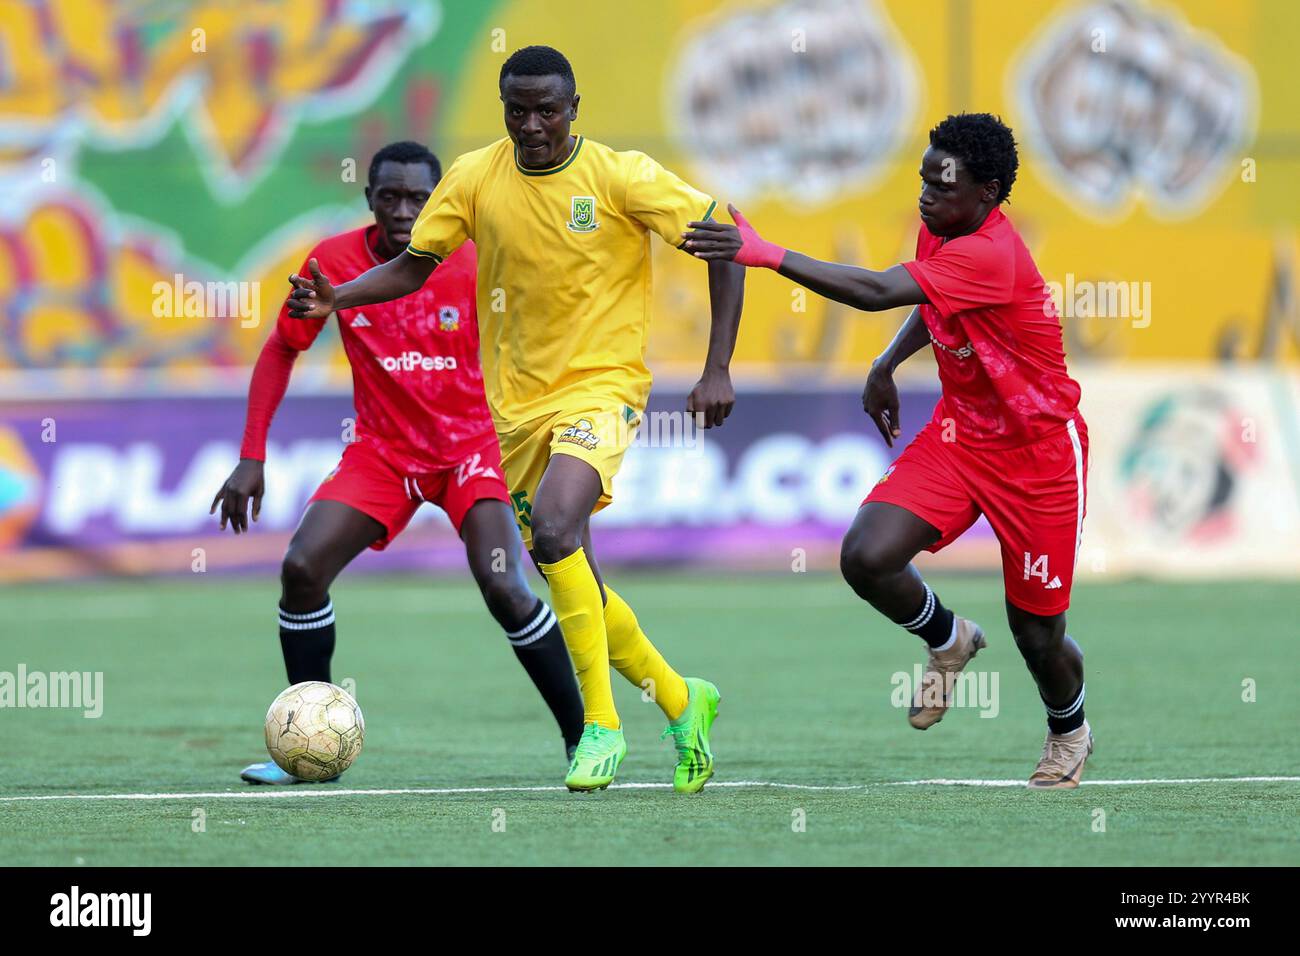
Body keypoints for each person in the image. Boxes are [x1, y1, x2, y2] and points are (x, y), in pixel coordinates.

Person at [285, 47, 746, 793]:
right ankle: (683, 698)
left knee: (558, 533)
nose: (532, 125)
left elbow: (725, 242)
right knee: (577, 579)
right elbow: (414, 266)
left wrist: (717, 365)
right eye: (517, 111)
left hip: (603, 390)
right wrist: (339, 297)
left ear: (575, 106)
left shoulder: (622, 176)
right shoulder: (473, 177)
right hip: (516, 411)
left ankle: (601, 727)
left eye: (548, 110)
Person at [684, 113, 1093, 788]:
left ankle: (1069, 729)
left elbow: (877, 291)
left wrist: (766, 254)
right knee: (867, 555)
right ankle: (949, 639)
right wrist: (887, 363)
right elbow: (933, 298)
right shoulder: (945, 228)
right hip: (963, 435)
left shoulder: (992, 253)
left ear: (989, 192)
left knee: (1036, 634)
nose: (927, 195)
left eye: (944, 182)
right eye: (923, 178)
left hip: (1039, 455)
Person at [213, 141, 584, 784]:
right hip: (383, 452)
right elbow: (280, 350)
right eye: (391, 196)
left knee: (504, 585)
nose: (405, 210)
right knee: (301, 568)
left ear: (442, 201)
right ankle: (309, 746)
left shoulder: (476, 259)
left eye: (420, 198)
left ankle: (584, 739)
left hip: (474, 450)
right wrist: (252, 457)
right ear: (370, 200)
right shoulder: (331, 264)